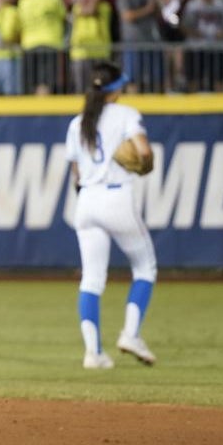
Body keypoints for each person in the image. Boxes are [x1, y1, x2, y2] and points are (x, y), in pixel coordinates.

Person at [65, 61, 158, 370]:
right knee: (145, 267)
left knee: (91, 279)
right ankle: (130, 334)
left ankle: (93, 353)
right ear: (115, 89)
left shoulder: (78, 123)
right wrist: (145, 164)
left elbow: (76, 174)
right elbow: (143, 152)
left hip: (87, 201)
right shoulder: (126, 114)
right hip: (117, 196)